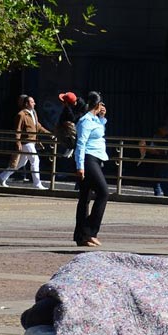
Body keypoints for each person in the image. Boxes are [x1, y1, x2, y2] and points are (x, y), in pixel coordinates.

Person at [73, 92, 110, 247]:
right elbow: (80, 144)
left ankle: (81, 236)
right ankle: (89, 231)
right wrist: (79, 166)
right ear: (96, 104)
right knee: (103, 192)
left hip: (96, 158)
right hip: (88, 159)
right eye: (101, 104)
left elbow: (100, 131)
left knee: (85, 197)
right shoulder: (85, 121)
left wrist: (102, 117)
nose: (103, 107)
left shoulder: (95, 120)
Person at [0, 94, 52, 189]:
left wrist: (49, 134)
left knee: (20, 163)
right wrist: (18, 142)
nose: (34, 103)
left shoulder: (33, 113)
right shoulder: (21, 114)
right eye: (32, 102)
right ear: (26, 104)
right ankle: (37, 183)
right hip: (26, 142)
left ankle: (2, 176)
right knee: (35, 160)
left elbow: (38, 126)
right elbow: (17, 129)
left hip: (32, 142)